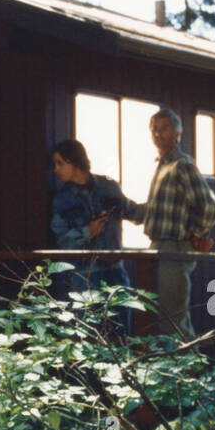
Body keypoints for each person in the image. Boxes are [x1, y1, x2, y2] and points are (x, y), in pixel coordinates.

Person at [49, 139, 145, 338]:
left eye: (60, 163)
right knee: (86, 338)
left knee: (120, 335)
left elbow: (134, 212)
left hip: (115, 275)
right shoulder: (61, 200)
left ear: (74, 161)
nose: (56, 170)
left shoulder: (109, 188)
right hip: (82, 278)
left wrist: (159, 204)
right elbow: (61, 241)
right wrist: (87, 232)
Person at [139, 108, 215, 337]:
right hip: (156, 247)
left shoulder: (182, 165)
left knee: (174, 322)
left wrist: (196, 235)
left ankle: (192, 372)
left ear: (177, 133)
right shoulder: (162, 166)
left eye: (163, 128)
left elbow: (209, 206)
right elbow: (155, 212)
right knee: (157, 319)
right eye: (154, 128)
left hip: (174, 249)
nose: (157, 133)